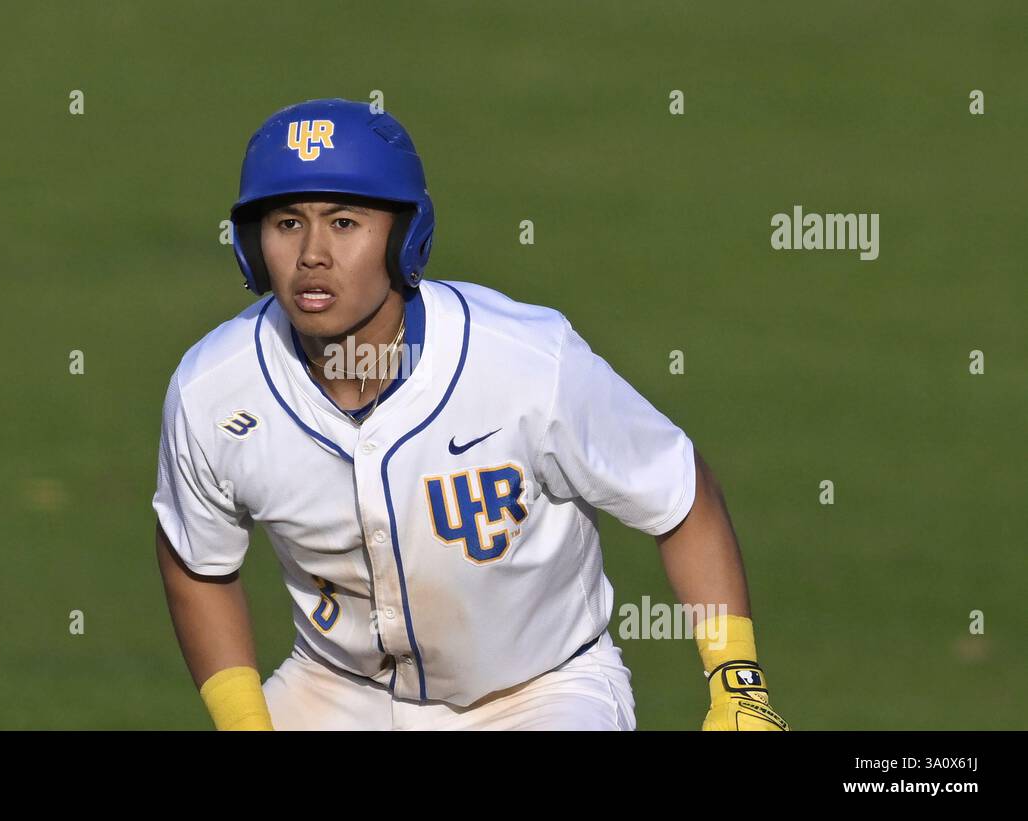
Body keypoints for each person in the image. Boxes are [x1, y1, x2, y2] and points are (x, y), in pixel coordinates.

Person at [153, 98, 788, 731]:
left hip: (540, 693)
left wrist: (737, 686)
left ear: (404, 238)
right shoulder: (215, 389)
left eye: (344, 223)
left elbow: (678, 494)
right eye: (287, 223)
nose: (312, 253)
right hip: (337, 693)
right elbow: (197, 560)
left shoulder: (527, 360)